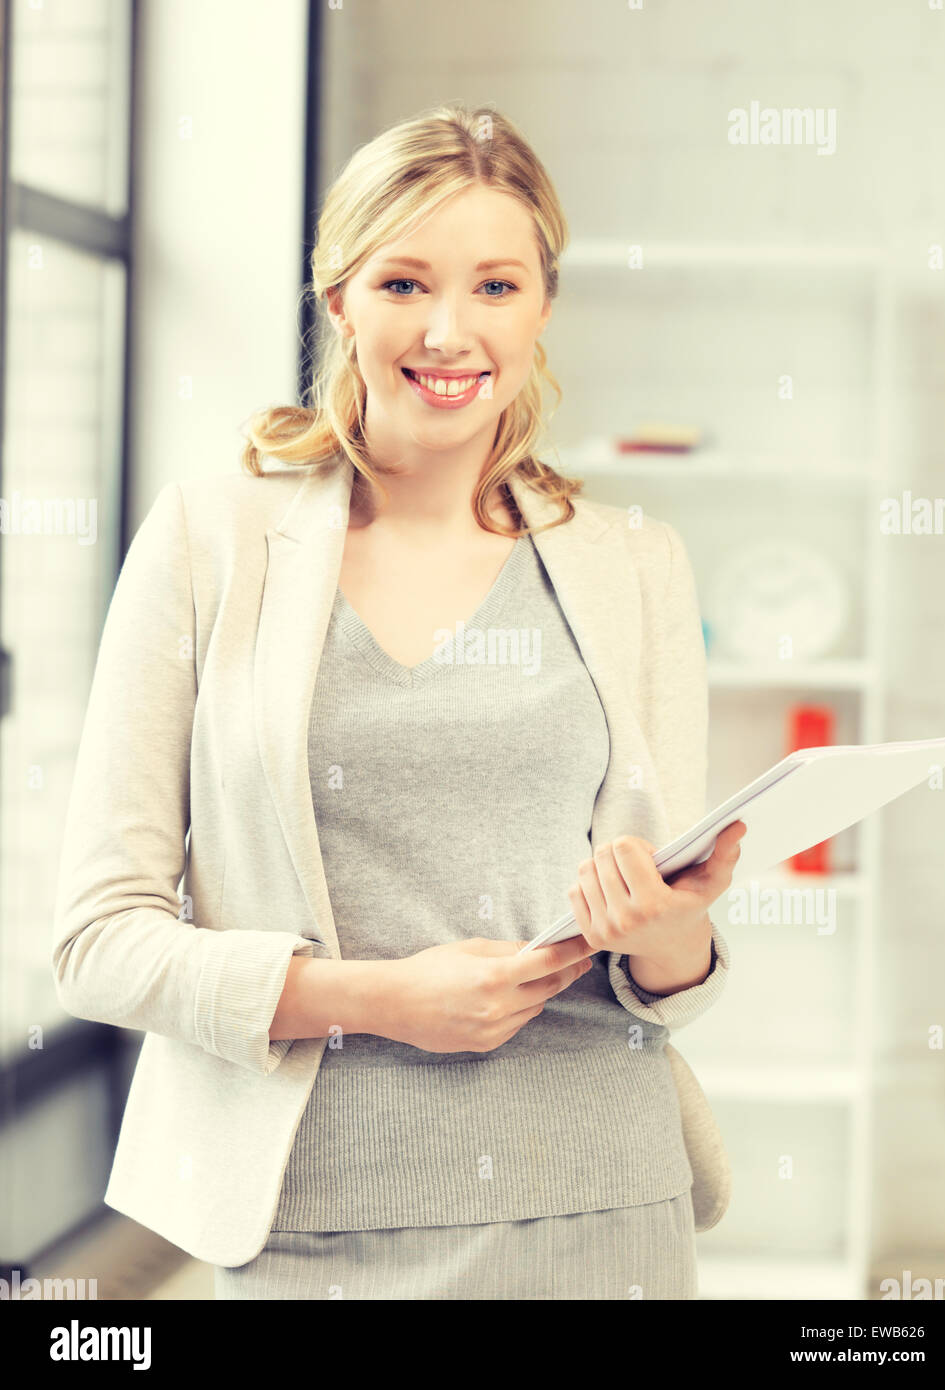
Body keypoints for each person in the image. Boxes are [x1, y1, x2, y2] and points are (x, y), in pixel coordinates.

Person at [52, 102, 742, 1301]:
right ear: (339, 301)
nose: (448, 329)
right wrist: (374, 999)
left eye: (496, 285)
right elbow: (95, 944)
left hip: (603, 1194)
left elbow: (671, 974)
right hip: (311, 1209)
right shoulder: (210, 543)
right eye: (405, 281)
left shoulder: (637, 563)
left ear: (540, 307)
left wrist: (673, 936)